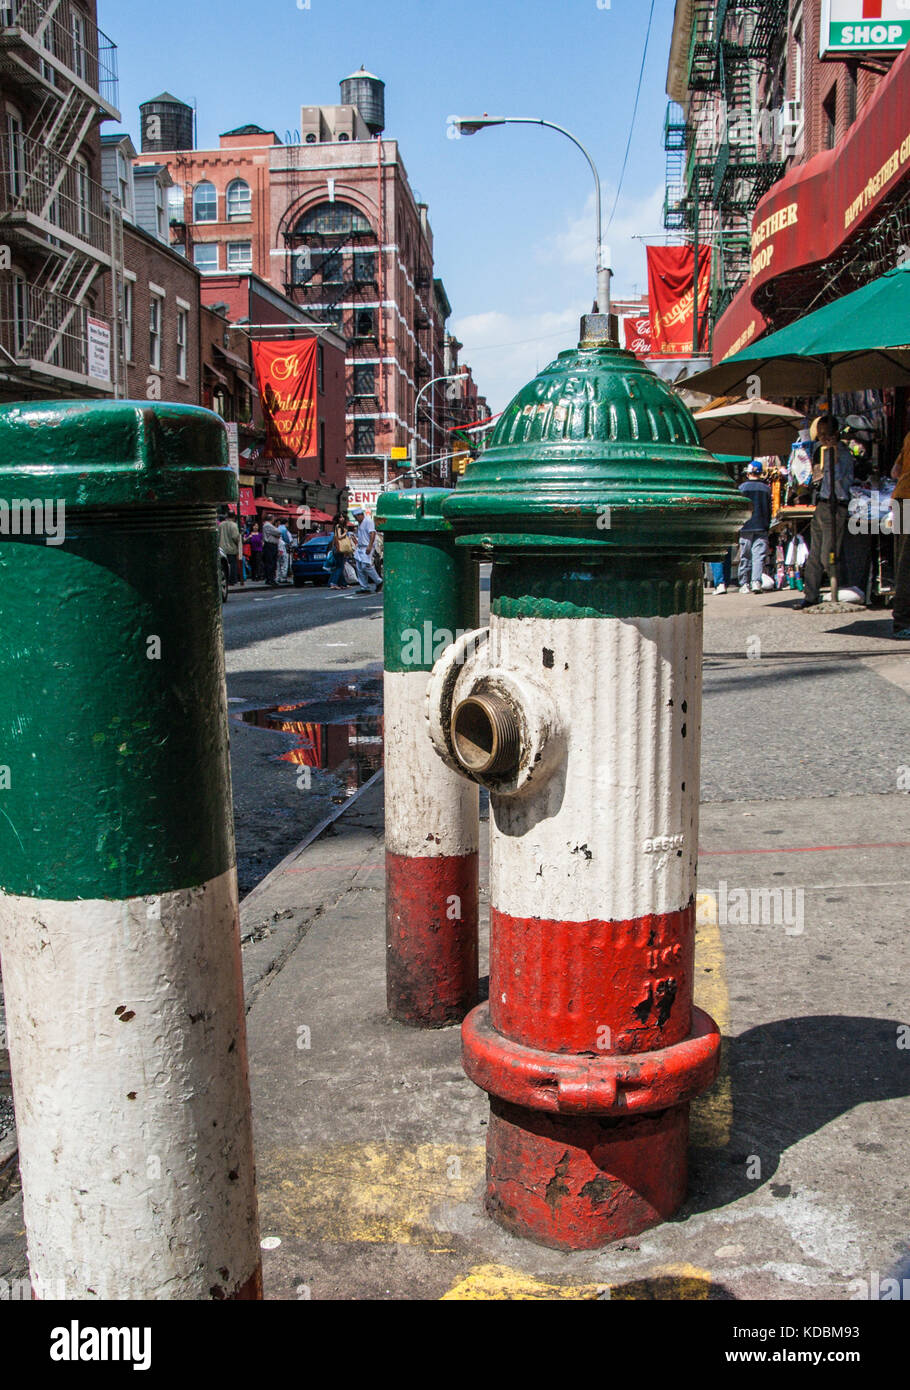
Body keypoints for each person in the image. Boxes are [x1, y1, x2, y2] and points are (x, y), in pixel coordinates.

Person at [798, 415, 855, 608]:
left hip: (836, 506)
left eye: (826, 433)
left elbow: (838, 477)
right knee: (814, 555)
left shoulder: (844, 454)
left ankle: (835, 591)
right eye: (820, 433)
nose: (822, 437)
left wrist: (835, 454)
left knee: (827, 554)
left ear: (835, 434)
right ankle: (810, 595)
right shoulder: (822, 451)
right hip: (822, 505)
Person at [737, 462, 772, 593]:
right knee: (758, 556)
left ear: (748, 473)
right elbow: (769, 509)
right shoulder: (766, 489)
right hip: (761, 525)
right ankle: (756, 581)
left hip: (745, 526)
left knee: (745, 556)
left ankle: (744, 583)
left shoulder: (742, 488)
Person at [890, 424, 910, 638]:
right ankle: (902, 620)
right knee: (907, 563)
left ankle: (902, 618)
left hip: (901, 500)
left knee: (904, 561)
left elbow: (895, 471)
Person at [351, 506, 382, 593]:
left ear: (360, 515)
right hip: (360, 547)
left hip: (367, 546)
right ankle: (364, 587)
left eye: (356, 517)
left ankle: (378, 581)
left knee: (366, 566)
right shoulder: (360, 523)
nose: (356, 519)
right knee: (359, 567)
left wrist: (370, 546)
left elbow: (372, 533)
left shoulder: (368, 521)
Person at [329, 510, 352, 589]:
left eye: (343, 517)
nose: (342, 519)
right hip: (339, 548)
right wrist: (345, 532)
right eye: (340, 517)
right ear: (337, 519)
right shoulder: (339, 526)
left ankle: (343, 583)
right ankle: (334, 583)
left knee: (340, 566)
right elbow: (339, 537)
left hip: (337, 548)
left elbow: (335, 538)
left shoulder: (337, 526)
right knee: (340, 567)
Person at [218, 509, 241, 588]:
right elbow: (235, 537)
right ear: (234, 517)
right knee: (233, 564)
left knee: (224, 566)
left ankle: (225, 579)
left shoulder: (221, 524)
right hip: (231, 548)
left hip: (222, 548)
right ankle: (232, 580)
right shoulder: (234, 525)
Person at [261, 516, 281, 587]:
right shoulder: (267, 525)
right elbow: (278, 532)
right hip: (270, 545)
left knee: (271, 562)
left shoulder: (268, 526)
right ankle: (270, 579)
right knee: (270, 562)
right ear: (271, 519)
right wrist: (277, 535)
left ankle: (270, 578)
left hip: (271, 545)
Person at [277, 519, 294, 585]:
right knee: (285, 562)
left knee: (278, 563)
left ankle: (278, 577)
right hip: (283, 547)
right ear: (286, 523)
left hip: (277, 547)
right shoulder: (284, 530)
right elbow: (288, 540)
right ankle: (283, 577)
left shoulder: (277, 528)